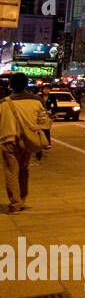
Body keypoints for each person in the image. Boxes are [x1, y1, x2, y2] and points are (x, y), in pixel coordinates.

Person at [0, 73, 53, 213]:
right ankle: (22, 198)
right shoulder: (37, 101)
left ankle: (15, 202)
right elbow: (44, 123)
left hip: (8, 140)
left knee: (11, 172)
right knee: (24, 169)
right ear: (26, 85)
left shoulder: (4, 103)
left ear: (11, 85)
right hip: (27, 140)